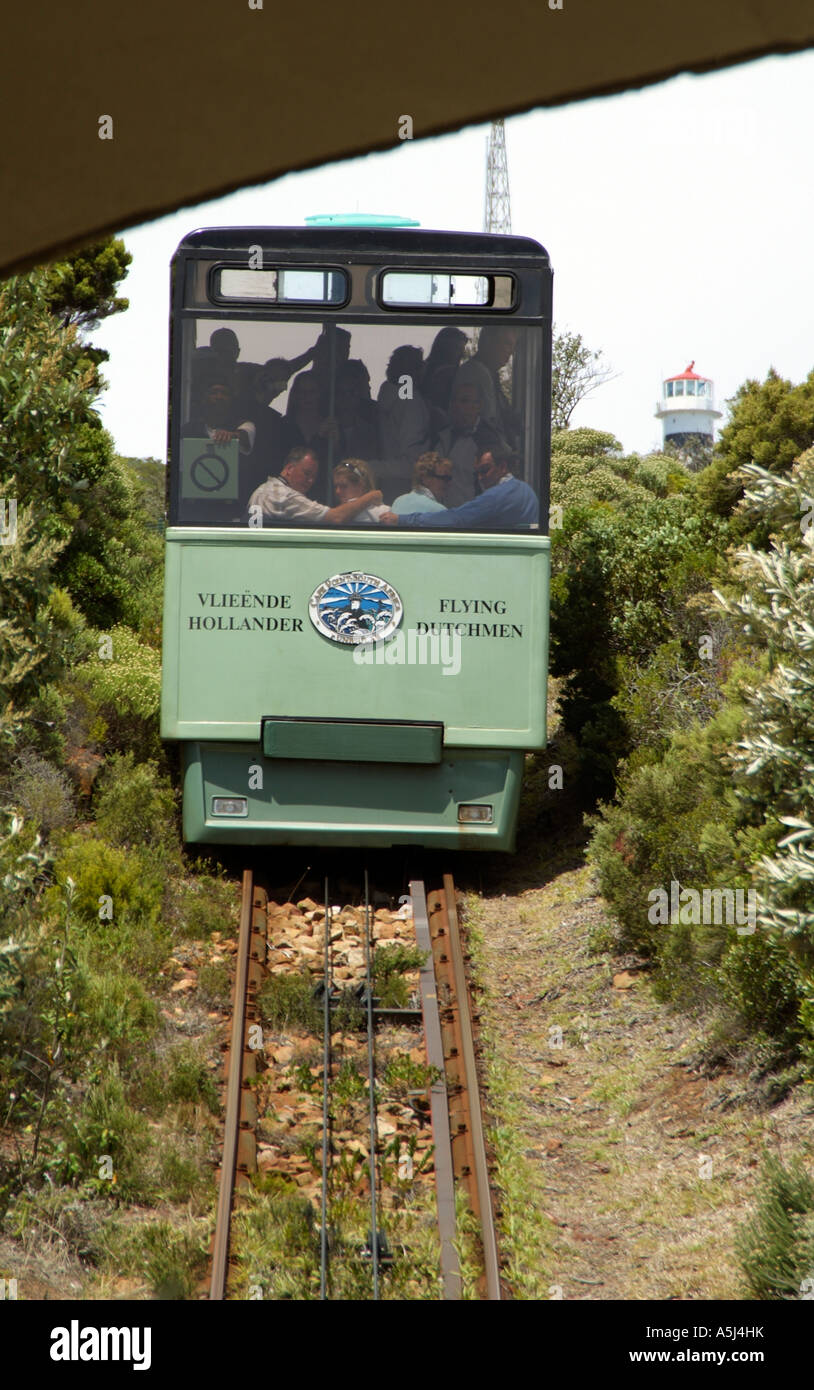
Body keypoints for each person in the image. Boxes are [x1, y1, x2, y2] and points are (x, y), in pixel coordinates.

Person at [382, 444, 538, 529]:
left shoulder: (498, 496)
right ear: (425, 478)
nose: (481, 478)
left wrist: (401, 519)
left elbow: (456, 519)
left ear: (503, 467)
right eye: (477, 472)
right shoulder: (526, 491)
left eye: (484, 470)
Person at [249, 447, 383, 525]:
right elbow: (336, 517)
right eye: (307, 474)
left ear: (361, 485)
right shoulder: (285, 496)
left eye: (313, 477)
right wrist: (371, 496)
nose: (310, 481)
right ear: (289, 468)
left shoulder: (264, 488)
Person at [433, 380, 500, 507]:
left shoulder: (488, 439)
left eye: (464, 401)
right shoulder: (441, 436)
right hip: (443, 514)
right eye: (454, 401)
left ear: (479, 405)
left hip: (472, 518)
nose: (457, 406)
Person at [376, 344, 431, 500]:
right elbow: (411, 463)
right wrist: (370, 467)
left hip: (384, 486)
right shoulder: (410, 403)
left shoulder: (389, 397)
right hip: (407, 491)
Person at [455, 325, 521, 450]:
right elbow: (486, 423)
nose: (511, 352)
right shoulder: (475, 372)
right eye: (507, 343)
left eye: (513, 346)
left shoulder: (491, 375)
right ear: (488, 341)